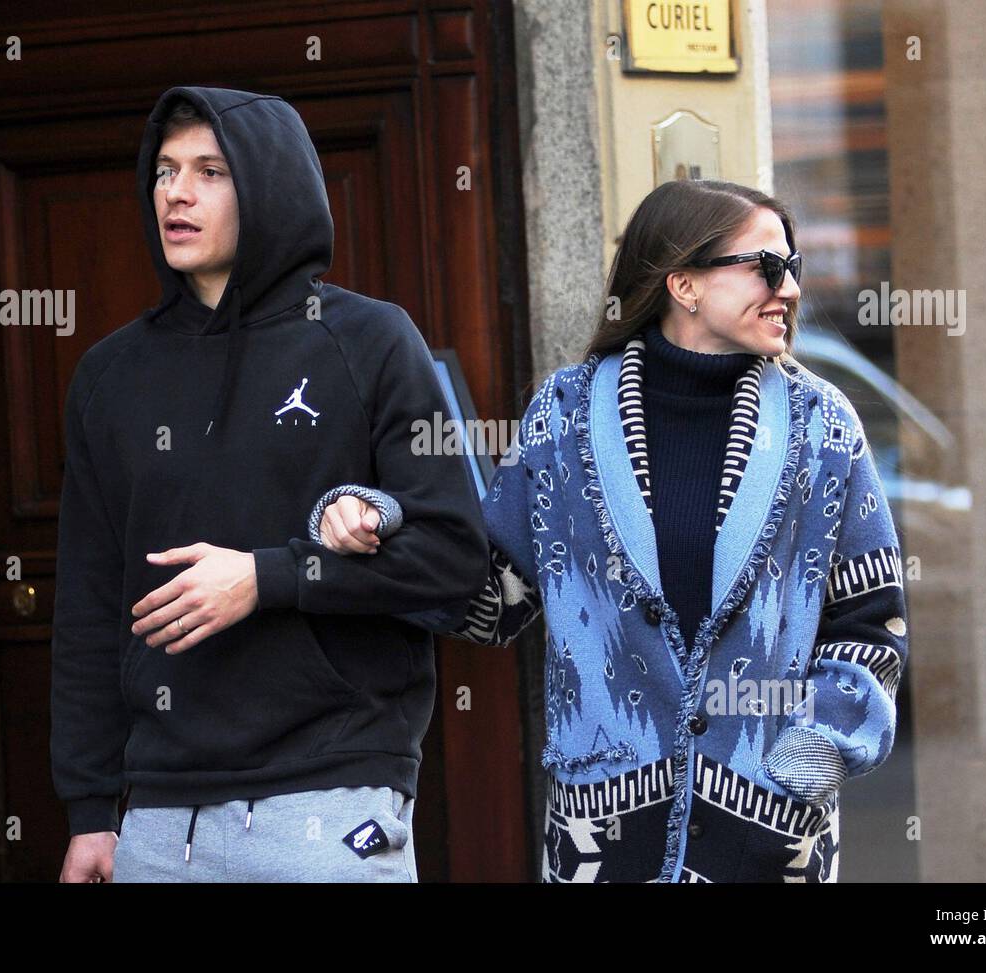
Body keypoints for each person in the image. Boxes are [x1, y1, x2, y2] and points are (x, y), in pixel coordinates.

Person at [313, 178, 910, 883]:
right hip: (602, 842)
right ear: (683, 284)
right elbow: (487, 596)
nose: (790, 288)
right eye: (766, 267)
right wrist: (378, 520)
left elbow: (872, 627)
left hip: (770, 840)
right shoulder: (564, 417)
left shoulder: (823, 426)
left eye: (793, 267)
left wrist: (808, 758)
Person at [51, 85, 489, 883]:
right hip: (160, 818)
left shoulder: (371, 341)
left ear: (270, 184)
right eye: (165, 170)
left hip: (331, 794)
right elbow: (87, 604)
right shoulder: (109, 377)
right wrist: (89, 809)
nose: (176, 192)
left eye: (211, 171)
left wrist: (268, 576)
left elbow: (455, 556)